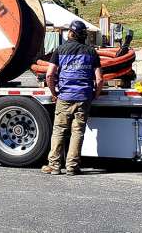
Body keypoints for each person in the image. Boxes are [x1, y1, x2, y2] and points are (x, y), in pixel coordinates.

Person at [41, 20, 102, 175]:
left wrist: (54, 92)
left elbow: (49, 74)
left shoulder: (60, 50)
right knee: (77, 132)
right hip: (83, 96)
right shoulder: (91, 52)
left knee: (59, 130)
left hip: (65, 96)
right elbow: (100, 79)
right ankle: (72, 167)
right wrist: (95, 93)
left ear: (71, 33)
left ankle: (54, 166)